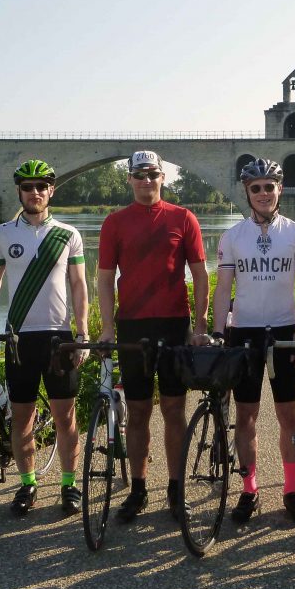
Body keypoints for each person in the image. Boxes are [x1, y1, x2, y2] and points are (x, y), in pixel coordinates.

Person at [0, 159, 88, 517]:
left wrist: (82, 331)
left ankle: (69, 485)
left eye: (41, 186)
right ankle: (28, 483)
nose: (34, 192)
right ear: (19, 192)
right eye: (27, 187)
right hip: (18, 340)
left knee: (65, 416)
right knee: (22, 418)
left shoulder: (68, 234)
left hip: (59, 339)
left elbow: (80, 284)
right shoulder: (2, 233)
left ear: (51, 190)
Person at [98, 150, 209, 523]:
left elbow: (200, 273)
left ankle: (176, 490)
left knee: (175, 409)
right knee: (140, 410)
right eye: (139, 175)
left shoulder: (183, 218)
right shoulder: (114, 223)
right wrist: (108, 326)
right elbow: (103, 278)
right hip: (132, 325)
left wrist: (201, 324)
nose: (147, 181)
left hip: (174, 323)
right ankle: (139, 489)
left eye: (153, 175)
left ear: (164, 178)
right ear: (129, 180)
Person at [211, 158, 295, 525]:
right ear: (247, 193)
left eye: (270, 186)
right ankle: (249, 490)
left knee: (289, 415)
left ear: (279, 189)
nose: (264, 193)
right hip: (246, 333)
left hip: (285, 331)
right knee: (246, 415)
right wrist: (218, 331)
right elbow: (224, 289)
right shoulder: (233, 237)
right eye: (256, 188)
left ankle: (290, 490)